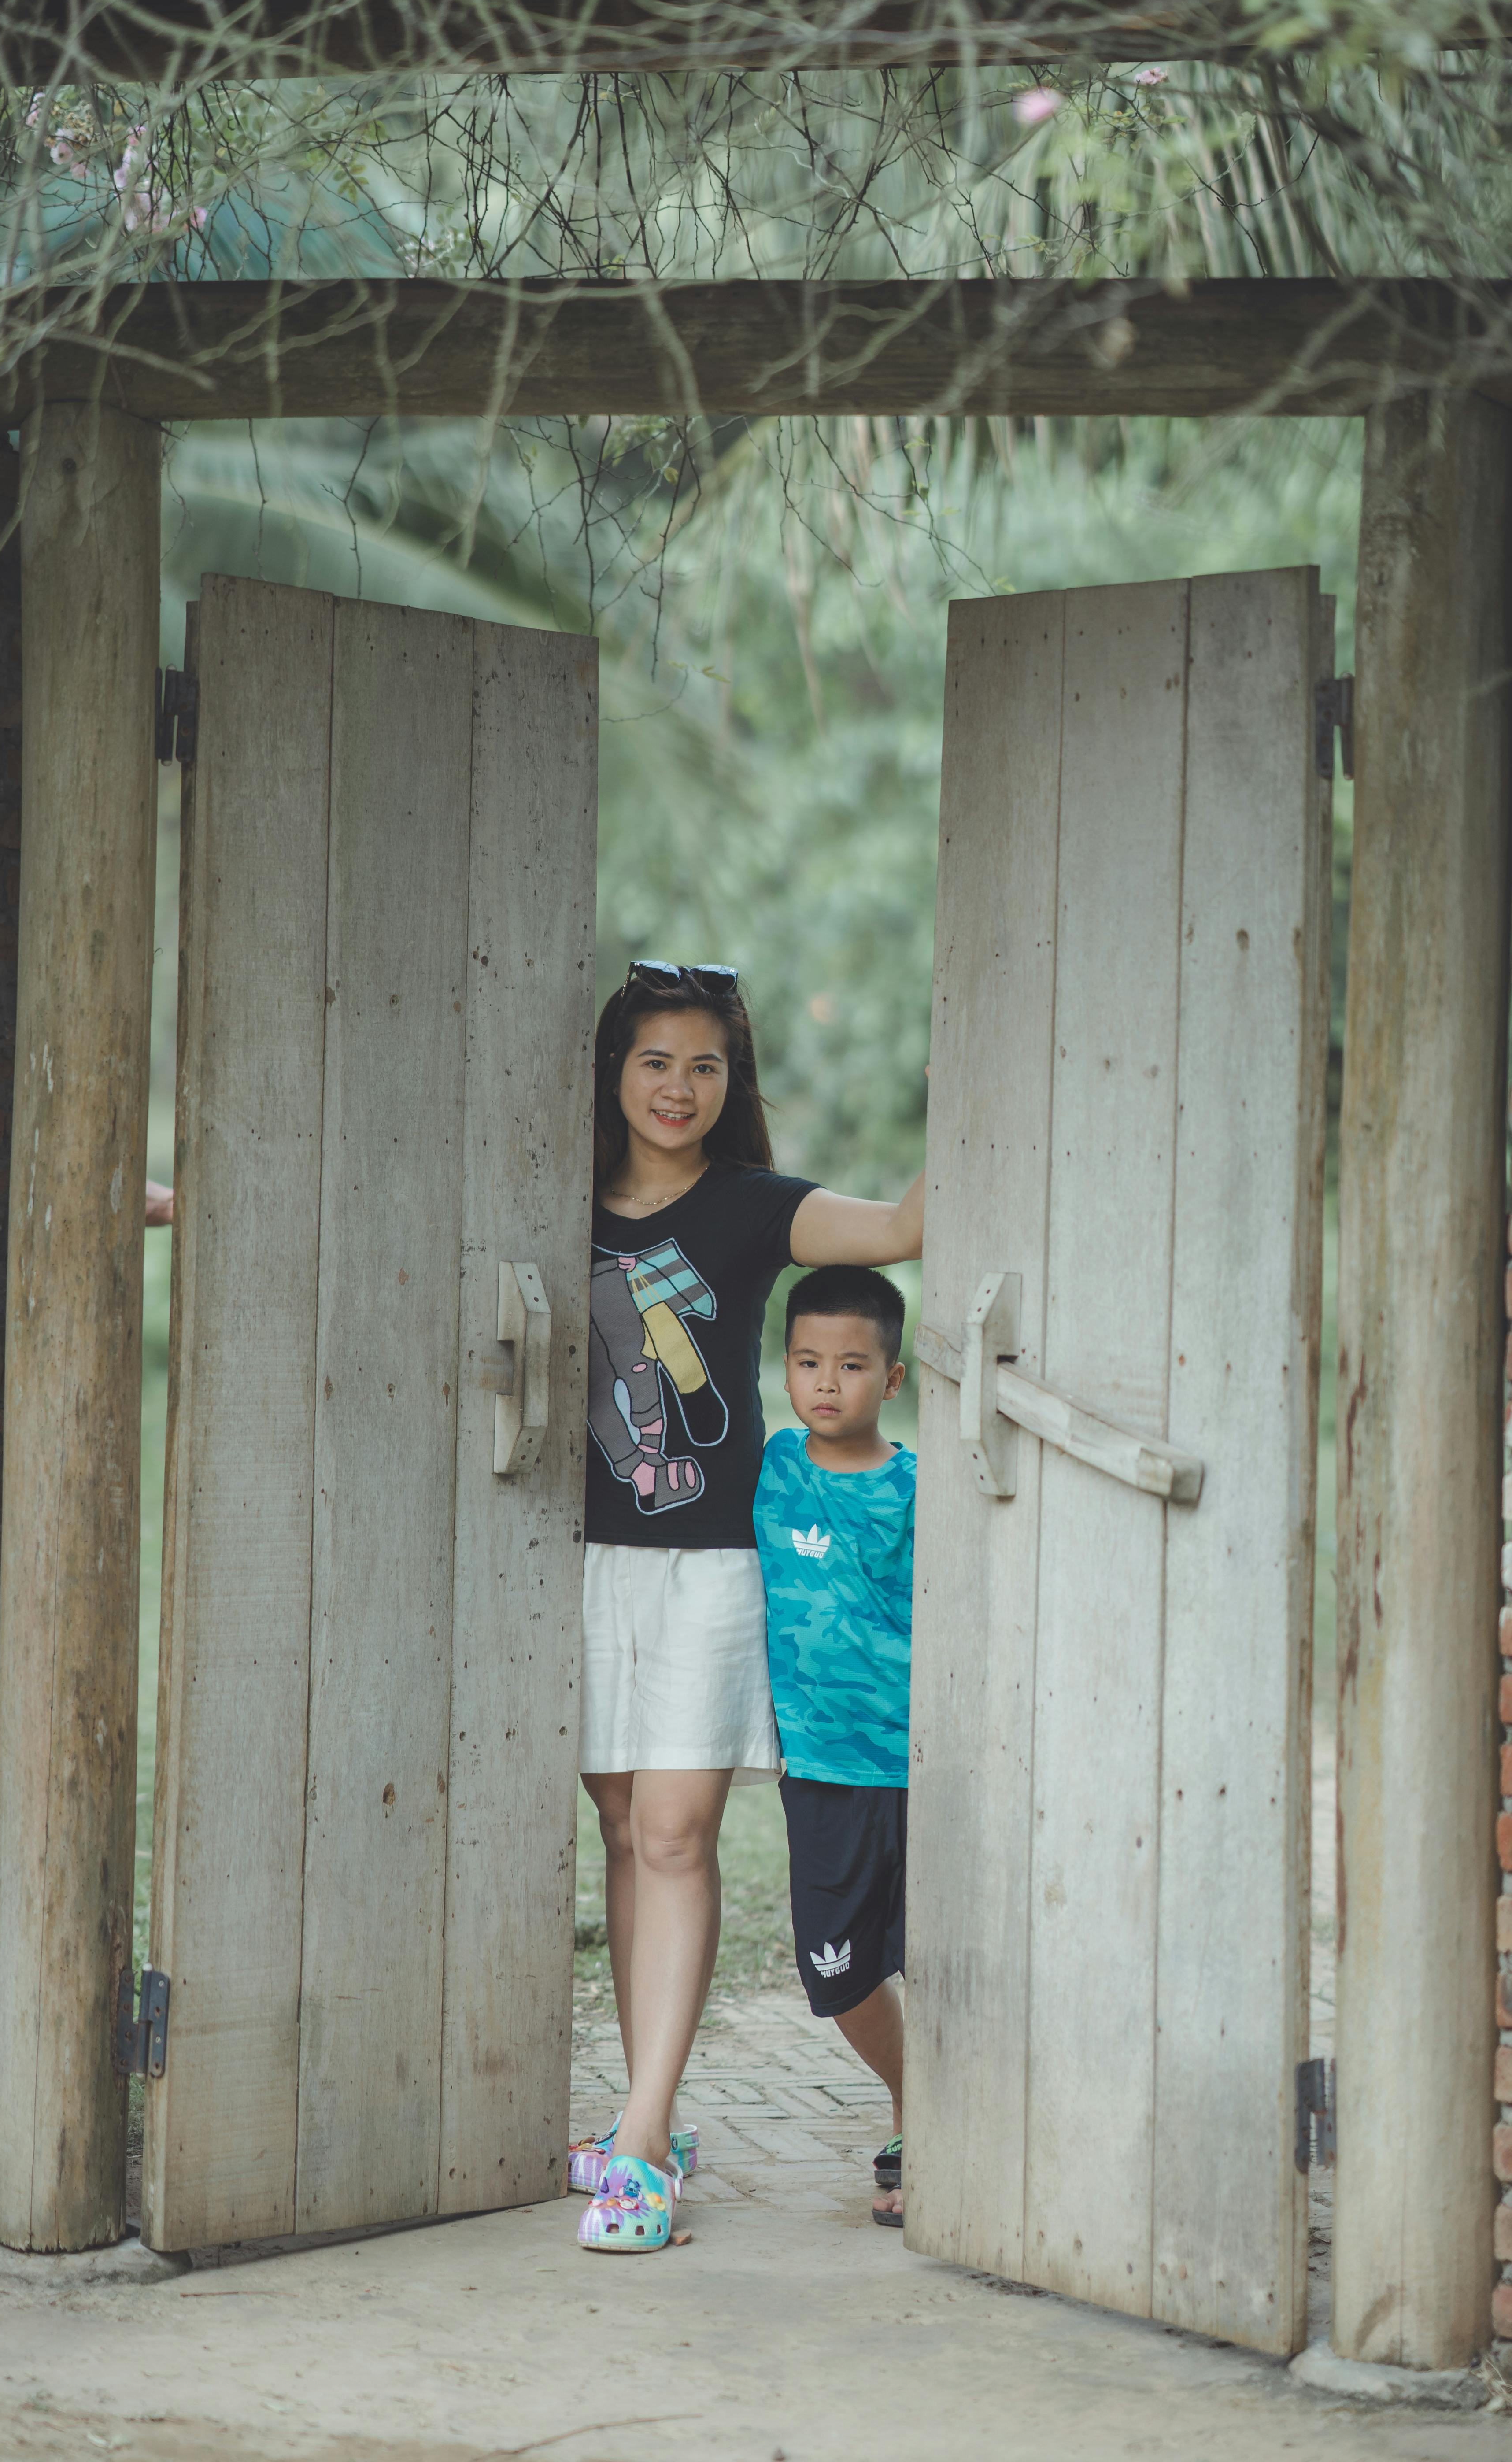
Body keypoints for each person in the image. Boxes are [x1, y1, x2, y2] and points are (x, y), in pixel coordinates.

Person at [572, 962, 921, 2255]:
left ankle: (649, 2141)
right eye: (657, 1061)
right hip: (580, 1561)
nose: (680, 1087)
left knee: (671, 1835)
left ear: (735, 1083)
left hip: (710, 1565)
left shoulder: (750, 1207)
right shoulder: (553, 1199)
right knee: (620, 1827)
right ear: (614, 1072)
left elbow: (898, 1228)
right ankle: (636, 2111)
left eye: (706, 1066)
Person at [755, 1266, 914, 2231]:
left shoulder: (917, 1489)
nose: (826, 1383)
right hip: (819, 1772)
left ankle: (933, 2132)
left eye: (851, 1366)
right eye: (807, 1362)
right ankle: (918, 2096)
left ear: (889, 1380)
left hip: (915, 1768)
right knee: (840, 1970)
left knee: (938, 1956)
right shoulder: (772, 1465)